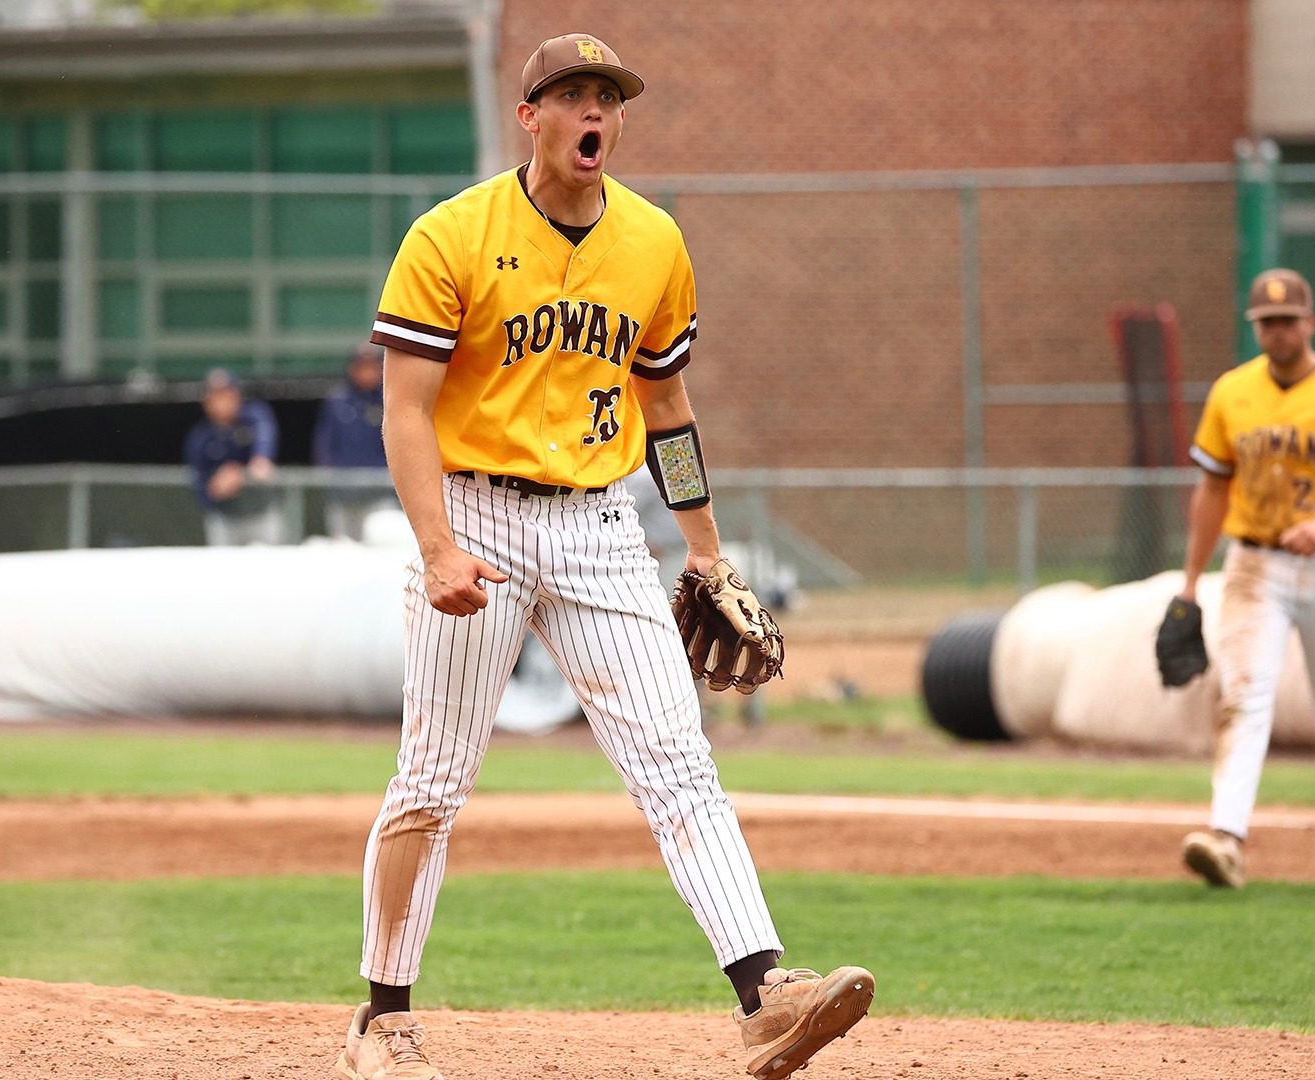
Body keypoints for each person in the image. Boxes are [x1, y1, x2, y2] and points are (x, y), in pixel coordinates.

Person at [338, 32, 872, 1080]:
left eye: (609, 97)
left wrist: (706, 553)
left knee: (680, 764)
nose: (595, 111)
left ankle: (765, 996)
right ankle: (382, 1020)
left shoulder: (653, 242)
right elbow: (405, 410)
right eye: (573, 93)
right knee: (433, 779)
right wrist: (437, 548)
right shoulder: (451, 235)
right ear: (530, 117)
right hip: (476, 515)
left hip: (599, 524)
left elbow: (666, 409)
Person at [1172, 268, 1315, 889]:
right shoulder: (1232, 392)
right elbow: (1213, 488)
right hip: (1254, 565)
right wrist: (1190, 580)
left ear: (1310, 323)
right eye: (1266, 322)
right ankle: (1226, 839)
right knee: (1244, 696)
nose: (1277, 331)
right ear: (1256, 328)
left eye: (1288, 320)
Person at [184, 369, 283, 545]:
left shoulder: (253, 417)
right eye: (216, 396)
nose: (222, 401)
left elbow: (263, 455)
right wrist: (215, 488)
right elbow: (198, 484)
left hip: (260, 513)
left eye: (226, 394)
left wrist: (243, 473)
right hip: (225, 518)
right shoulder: (201, 437)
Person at [312, 344, 398, 540]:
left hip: (380, 491)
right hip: (343, 492)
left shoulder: (389, 400)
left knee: (382, 544)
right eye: (362, 366)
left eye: (372, 366)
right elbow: (324, 444)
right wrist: (329, 475)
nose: (367, 372)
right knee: (343, 546)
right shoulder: (337, 400)